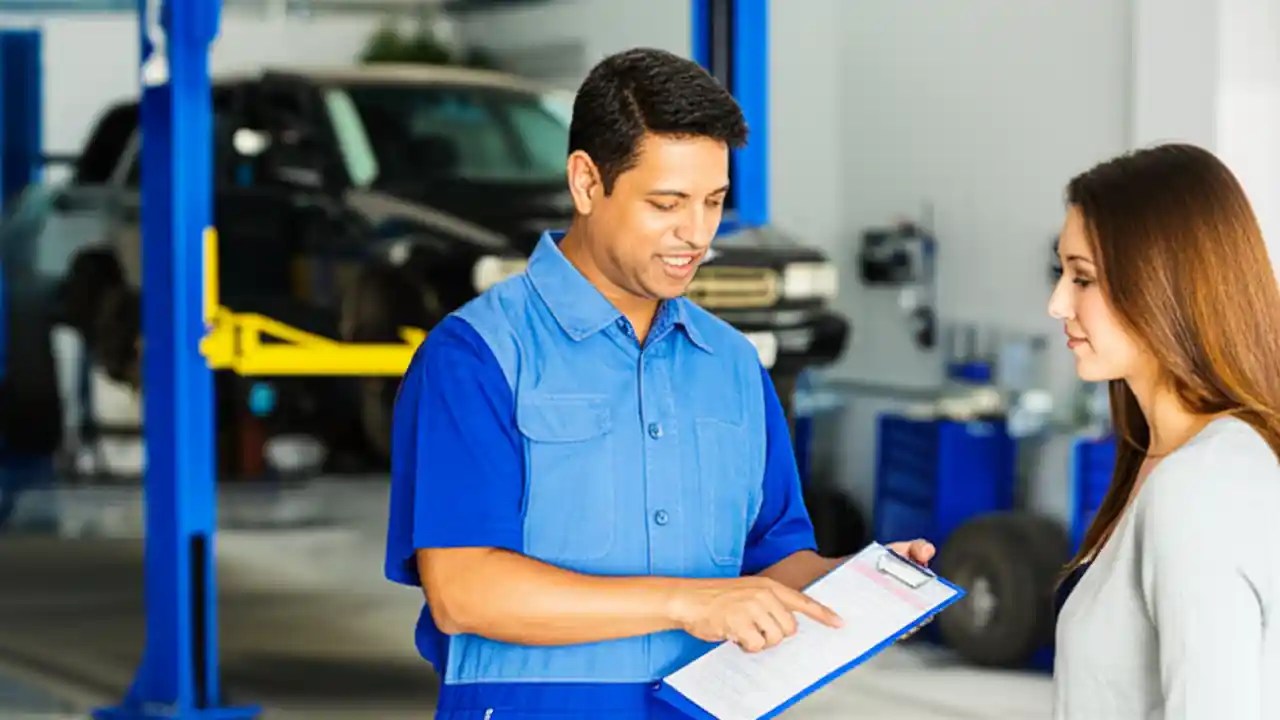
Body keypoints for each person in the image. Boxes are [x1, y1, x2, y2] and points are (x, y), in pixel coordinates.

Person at [384, 47, 934, 719]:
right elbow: (464, 592)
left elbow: (773, 558)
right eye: (666, 203)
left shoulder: (730, 363)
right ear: (587, 183)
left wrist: (860, 586)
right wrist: (689, 601)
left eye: (713, 202)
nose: (696, 235)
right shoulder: (476, 356)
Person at [1048, 143, 1280, 719]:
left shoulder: (1198, 488)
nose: (1057, 304)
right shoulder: (1173, 461)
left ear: (1162, 283)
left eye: (1082, 278)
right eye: (1062, 274)